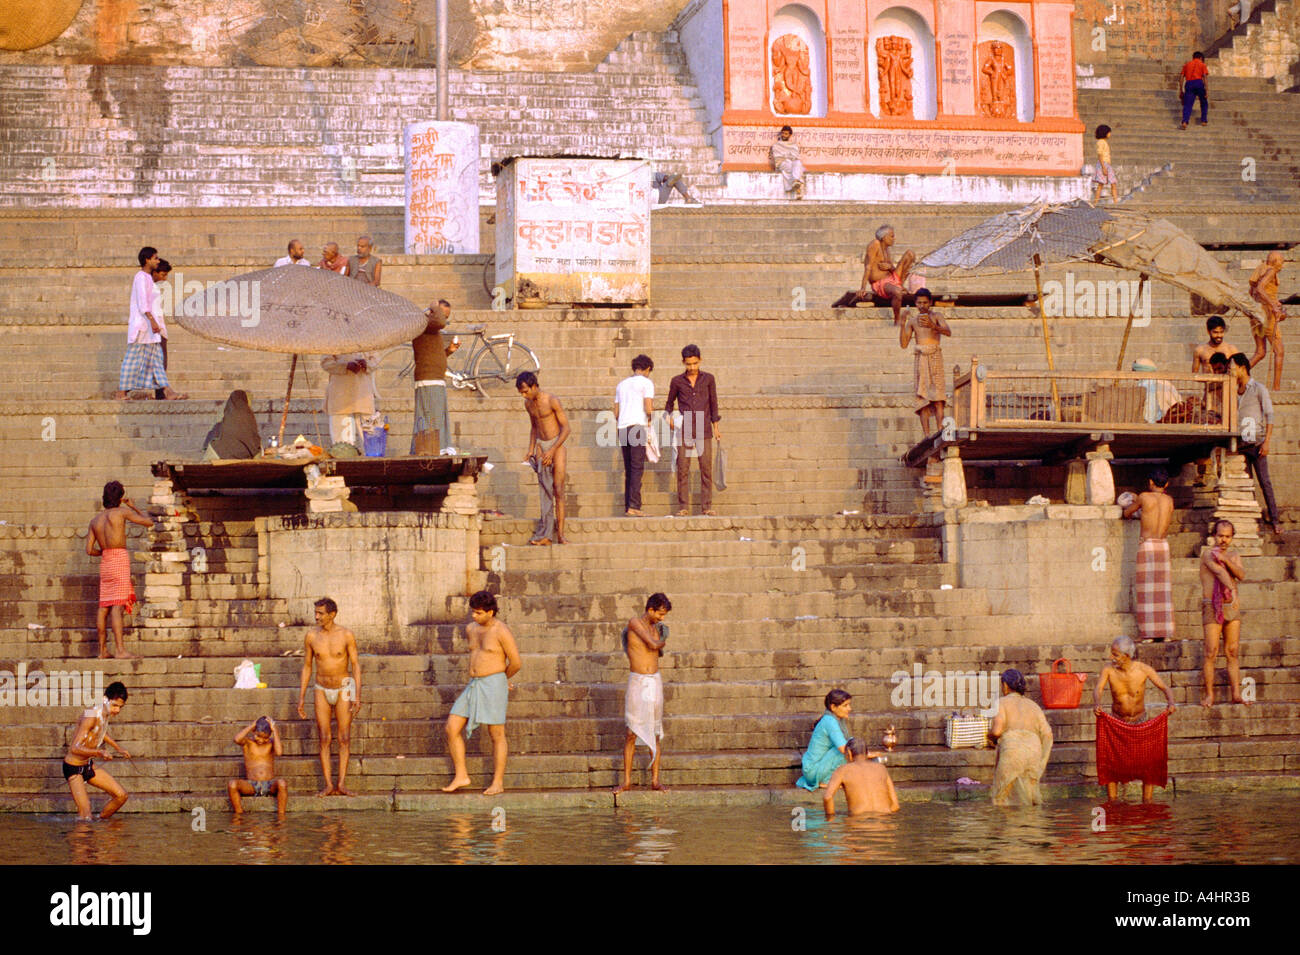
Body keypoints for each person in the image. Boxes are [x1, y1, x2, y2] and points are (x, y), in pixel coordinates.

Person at [442, 590, 522, 796]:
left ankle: (498, 782)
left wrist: (502, 679)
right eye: (473, 612)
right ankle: (462, 775)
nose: (474, 616)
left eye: (478, 613)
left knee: (496, 733)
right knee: (452, 727)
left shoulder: (501, 631)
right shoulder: (471, 628)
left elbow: (516, 662)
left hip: (494, 683)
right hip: (474, 683)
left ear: (490, 612)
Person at [1094, 635, 1176, 802]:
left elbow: (1164, 687)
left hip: (1140, 722)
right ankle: (1113, 802)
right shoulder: (1108, 670)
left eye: (1115, 654)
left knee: (1147, 764)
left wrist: (1171, 702)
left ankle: (1147, 802)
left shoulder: (1143, 669)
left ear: (1127, 656)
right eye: (1112, 654)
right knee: (1112, 763)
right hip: (1116, 723)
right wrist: (1097, 703)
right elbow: (1098, 689)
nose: (1111, 658)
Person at [296, 597, 361, 797]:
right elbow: (307, 666)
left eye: (320, 613)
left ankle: (341, 783)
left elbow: (356, 665)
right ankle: (327, 785)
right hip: (321, 688)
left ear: (332, 614)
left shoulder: (346, 635)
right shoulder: (311, 636)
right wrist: (301, 698)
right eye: (315, 612)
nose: (316, 617)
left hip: (343, 688)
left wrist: (357, 694)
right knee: (324, 737)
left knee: (344, 737)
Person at [86, 480, 152, 659]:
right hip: (119, 559)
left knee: (103, 606)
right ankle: (120, 650)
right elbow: (149, 522)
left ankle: (102, 651)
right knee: (117, 606)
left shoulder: (95, 520)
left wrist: (103, 552)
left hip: (106, 561)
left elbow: (89, 550)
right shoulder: (122, 512)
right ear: (121, 497)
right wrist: (134, 507)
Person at [614, 593, 672, 794]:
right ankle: (627, 781)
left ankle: (655, 781)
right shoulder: (634, 623)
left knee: (655, 732)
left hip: (654, 681)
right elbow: (652, 645)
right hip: (638, 682)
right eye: (660, 614)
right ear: (650, 609)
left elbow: (656, 646)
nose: (662, 618)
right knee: (631, 733)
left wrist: (660, 638)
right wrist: (661, 642)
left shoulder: (657, 628)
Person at [116, 246, 185, 400]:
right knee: (133, 359)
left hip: (151, 330)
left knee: (156, 361)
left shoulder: (147, 279)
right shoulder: (140, 277)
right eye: (155, 258)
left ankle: (168, 391)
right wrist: (153, 321)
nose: (157, 261)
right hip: (143, 326)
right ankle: (121, 392)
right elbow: (143, 303)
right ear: (147, 260)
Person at [665, 345, 721, 517]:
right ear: (683, 362)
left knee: (706, 468)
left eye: (695, 363)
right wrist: (669, 420)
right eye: (688, 364)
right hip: (685, 428)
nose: (692, 368)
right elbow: (668, 405)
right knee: (683, 467)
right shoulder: (677, 381)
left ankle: (706, 507)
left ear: (700, 360)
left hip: (704, 428)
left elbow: (713, 404)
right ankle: (683, 506)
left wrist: (716, 428)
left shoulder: (709, 379)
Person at [62, 681, 131, 820]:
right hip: (73, 767)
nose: (117, 710)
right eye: (115, 705)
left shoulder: (102, 712)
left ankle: (99, 823)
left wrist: (118, 748)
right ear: (106, 699)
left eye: (120, 707)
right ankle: (82, 836)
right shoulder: (91, 714)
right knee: (86, 816)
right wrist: (99, 752)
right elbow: (74, 748)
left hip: (87, 765)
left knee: (121, 795)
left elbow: (99, 731)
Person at [516, 371, 570, 545]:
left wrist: (553, 450)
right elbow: (534, 427)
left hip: (557, 444)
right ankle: (546, 535)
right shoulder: (528, 404)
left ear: (534, 386)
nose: (524, 395)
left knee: (558, 489)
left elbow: (566, 428)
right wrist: (530, 449)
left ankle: (560, 535)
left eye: (526, 391)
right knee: (544, 491)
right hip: (541, 444)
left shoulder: (551, 400)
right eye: (521, 393)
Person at [1123, 468, 1175, 642]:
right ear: (1166, 484)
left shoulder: (1144, 497)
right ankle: (1165, 633)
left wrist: (1135, 501)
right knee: (1163, 591)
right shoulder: (1169, 500)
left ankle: (1148, 634)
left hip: (1148, 545)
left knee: (1146, 590)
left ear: (1151, 482)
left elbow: (1127, 512)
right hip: (1163, 545)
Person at [1200, 520, 1248, 707]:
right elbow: (1219, 572)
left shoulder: (1234, 555)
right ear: (1214, 536)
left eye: (1227, 536)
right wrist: (1232, 590)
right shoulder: (1207, 554)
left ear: (1232, 538)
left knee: (1233, 651)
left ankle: (1236, 693)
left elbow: (1242, 575)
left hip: (1231, 608)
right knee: (1211, 651)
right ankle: (1209, 695)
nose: (1223, 540)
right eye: (1220, 535)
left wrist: (1227, 559)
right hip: (1212, 605)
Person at [988, 669, 1054, 806]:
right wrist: (1041, 761)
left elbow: (996, 731)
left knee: (1001, 798)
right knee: (1030, 800)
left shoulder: (1001, 703)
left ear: (1005, 685)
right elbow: (1048, 734)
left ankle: (1006, 826)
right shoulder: (1034, 706)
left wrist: (989, 737)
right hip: (1033, 752)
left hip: (1013, 752)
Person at [1231, 352, 1280, 534]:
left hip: (1258, 443)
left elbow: (1270, 415)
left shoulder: (1259, 388)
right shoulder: (1233, 391)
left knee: (1265, 482)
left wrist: (1267, 442)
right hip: (1241, 444)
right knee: (1246, 484)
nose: (1231, 371)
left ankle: (1275, 520)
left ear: (1242, 368)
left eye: (1232, 367)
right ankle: (1253, 521)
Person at [899, 287, 951, 437]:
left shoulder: (937, 316)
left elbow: (948, 332)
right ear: (915, 303)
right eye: (919, 303)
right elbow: (903, 344)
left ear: (930, 303)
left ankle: (941, 431)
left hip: (935, 357)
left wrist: (932, 326)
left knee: (938, 398)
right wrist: (902, 324)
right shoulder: (913, 321)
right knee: (922, 400)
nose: (922, 306)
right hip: (920, 358)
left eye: (925, 303)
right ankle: (927, 435)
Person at [410, 299, 460, 454]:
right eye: (442, 314)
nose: (444, 320)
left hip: (435, 380)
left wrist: (450, 350)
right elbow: (439, 321)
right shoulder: (423, 324)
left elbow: (436, 356)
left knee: (437, 417)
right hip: (428, 381)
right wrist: (433, 306)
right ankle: (428, 450)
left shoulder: (432, 329)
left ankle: (436, 449)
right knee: (430, 418)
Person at [615, 354, 655, 516]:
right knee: (637, 467)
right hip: (637, 426)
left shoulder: (621, 385)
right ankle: (635, 506)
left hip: (622, 427)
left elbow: (615, 412)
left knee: (629, 468)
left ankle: (628, 505)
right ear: (647, 369)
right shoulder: (647, 383)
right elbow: (648, 408)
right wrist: (650, 420)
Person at [860, 225, 920, 326]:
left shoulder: (887, 249)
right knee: (897, 292)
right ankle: (897, 320)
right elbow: (868, 267)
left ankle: (899, 285)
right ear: (884, 237)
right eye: (892, 236)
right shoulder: (875, 244)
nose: (894, 239)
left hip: (892, 279)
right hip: (881, 283)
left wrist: (890, 267)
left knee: (910, 254)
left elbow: (892, 269)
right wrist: (862, 287)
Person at [228, 716, 288, 815]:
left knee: (282, 783)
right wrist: (252, 725)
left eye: (265, 737)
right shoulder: (248, 743)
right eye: (258, 736)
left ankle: (281, 816)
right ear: (254, 732)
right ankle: (239, 814)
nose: (261, 740)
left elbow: (279, 752)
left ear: (269, 736)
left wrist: (275, 731)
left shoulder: (271, 743)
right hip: (251, 785)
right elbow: (237, 739)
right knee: (232, 784)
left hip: (269, 784)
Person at [823, 737, 899, 815]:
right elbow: (895, 806)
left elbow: (828, 797)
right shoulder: (882, 768)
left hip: (858, 823)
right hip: (884, 822)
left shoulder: (842, 770)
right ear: (867, 753)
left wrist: (831, 819)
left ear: (849, 753)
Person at [795, 688, 852, 790]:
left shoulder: (837, 719)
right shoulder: (829, 721)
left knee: (852, 743)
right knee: (846, 749)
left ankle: (830, 778)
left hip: (816, 768)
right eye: (845, 705)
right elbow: (844, 749)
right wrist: (865, 754)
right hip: (813, 771)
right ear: (833, 707)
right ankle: (826, 781)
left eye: (849, 705)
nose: (849, 708)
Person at [321, 352, 378, 451]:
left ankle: (371, 463)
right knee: (342, 446)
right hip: (340, 395)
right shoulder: (332, 339)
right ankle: (343, 463)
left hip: (363, 394)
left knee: (370, 439)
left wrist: (366, 364)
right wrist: (345, 366)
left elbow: (376, 360)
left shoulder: (368, 339)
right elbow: (326, 363)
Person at [1247, 251, 1286, 390]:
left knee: (1260, 352)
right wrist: (1273, 305)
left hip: (1257, 314)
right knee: (1279, 351)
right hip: (1266, 315)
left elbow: (1252, 292)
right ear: (1275, 261)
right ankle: (1276, 388)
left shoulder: (1260, 269)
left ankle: (1235, 374)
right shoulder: (1271, 270)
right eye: (1281, 261)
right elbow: (1260, 288)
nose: (1282, 265)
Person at [149, 259, 183, 400]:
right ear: (155, 272)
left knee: (160, 363)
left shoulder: (152, 287)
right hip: (154, 331)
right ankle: (165, 391)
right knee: (158, 363)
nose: (165, 278)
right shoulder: (146, 286)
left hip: (158, 329)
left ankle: (161, 393)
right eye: (163, 274)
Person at [202, 390, 261, 459]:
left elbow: (213, 433)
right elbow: (255, 441)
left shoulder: (227, 411)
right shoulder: (249, 416)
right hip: (245, 455)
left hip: (219, 453)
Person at [1131, 358, 1182, 423]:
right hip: (1172, 419)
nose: (1132, 372)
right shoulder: (1165, 382)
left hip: (1155, 421)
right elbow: (1178, 402)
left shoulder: (1144, 385)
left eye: (1134, 370)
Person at [769, 125, 806, 199]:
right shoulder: (776, 145)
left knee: (798, 163)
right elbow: (778, 157)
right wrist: (788, 157)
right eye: (783, 133)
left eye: (786, 134)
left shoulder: (793, 145)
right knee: (792, 166)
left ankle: (796, 181)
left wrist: (789, 157)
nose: (784, 135)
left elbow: (796, 156)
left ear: (790, 135)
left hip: (791, 163)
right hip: (782, 163)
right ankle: (798, 186)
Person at [1179, 51, 1209, 129]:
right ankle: (1204, 120)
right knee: (1203, 102)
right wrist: (1206, 90)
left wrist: (1181, 90)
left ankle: (1185, 122)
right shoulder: (1202, 65)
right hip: (1199, 83)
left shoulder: (1186, 65)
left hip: (1189, 83)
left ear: (1193, 57)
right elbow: (1205, 77)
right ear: (1200, 58)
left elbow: (1182, 77)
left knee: (1187, 104)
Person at [1091, 125, 1118, 204]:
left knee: (1113, 183)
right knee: (1101, 184)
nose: (1110, 134)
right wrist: (1103, 167)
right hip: (1103, 164)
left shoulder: (1104, 142)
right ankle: (1095, 203)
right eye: (1109, 132)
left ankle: (1115, 202)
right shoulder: (1100, 142)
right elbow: (1100, 155)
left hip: (1107, 165)